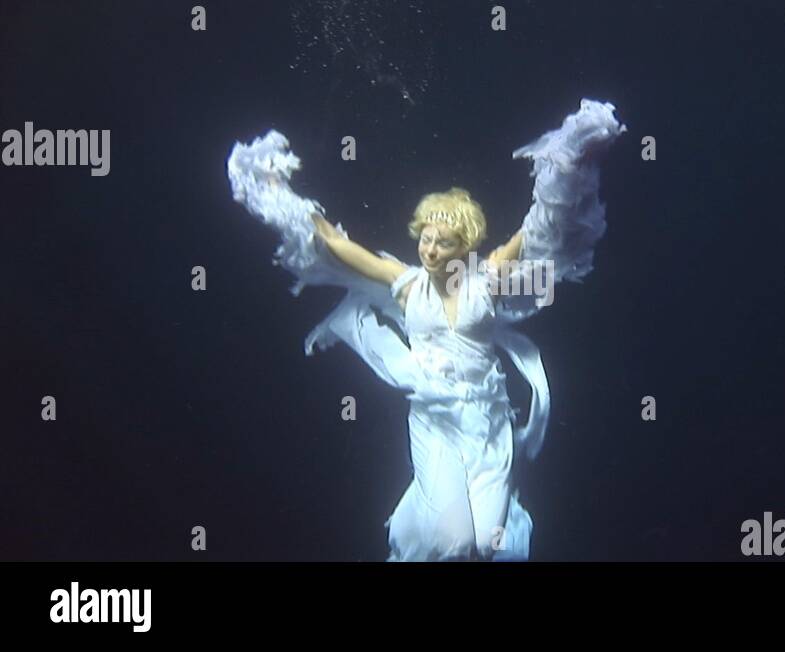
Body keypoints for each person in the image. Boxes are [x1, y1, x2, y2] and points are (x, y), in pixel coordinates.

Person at [227, 99, 626, 560]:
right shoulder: (406, 286)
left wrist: (571, 162)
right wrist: (278, 194)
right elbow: (337, 244)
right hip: (436, 423)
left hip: (489, 426)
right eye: (426, 238)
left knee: (486, 544)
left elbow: (534, 230)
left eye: (444, 243)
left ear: (465, 246)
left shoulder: (486, 281)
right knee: (454, 542)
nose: (430, 249)